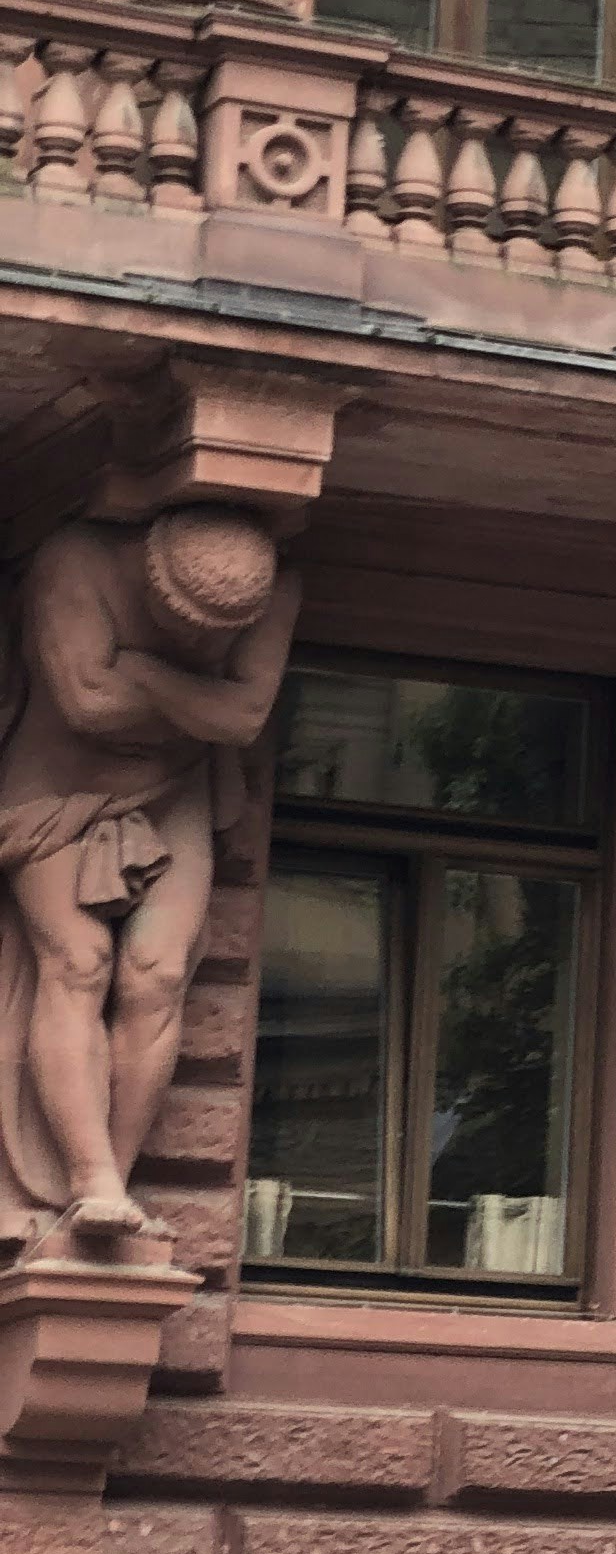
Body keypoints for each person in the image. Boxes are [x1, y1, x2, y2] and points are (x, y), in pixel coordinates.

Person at [0, 508, 299, 1250]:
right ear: (151, 573)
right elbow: (86, 702)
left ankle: (118, 1183)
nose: (202, 641)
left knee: (158, 976)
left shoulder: (273, 589)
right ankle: (90, 1178)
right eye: (183, 624)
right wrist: (197, 700)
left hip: (174, 794)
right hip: (55, 795)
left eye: (215, 633)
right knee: (78, 963)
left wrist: (142, 668)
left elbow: (246, 716)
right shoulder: (75, 558)